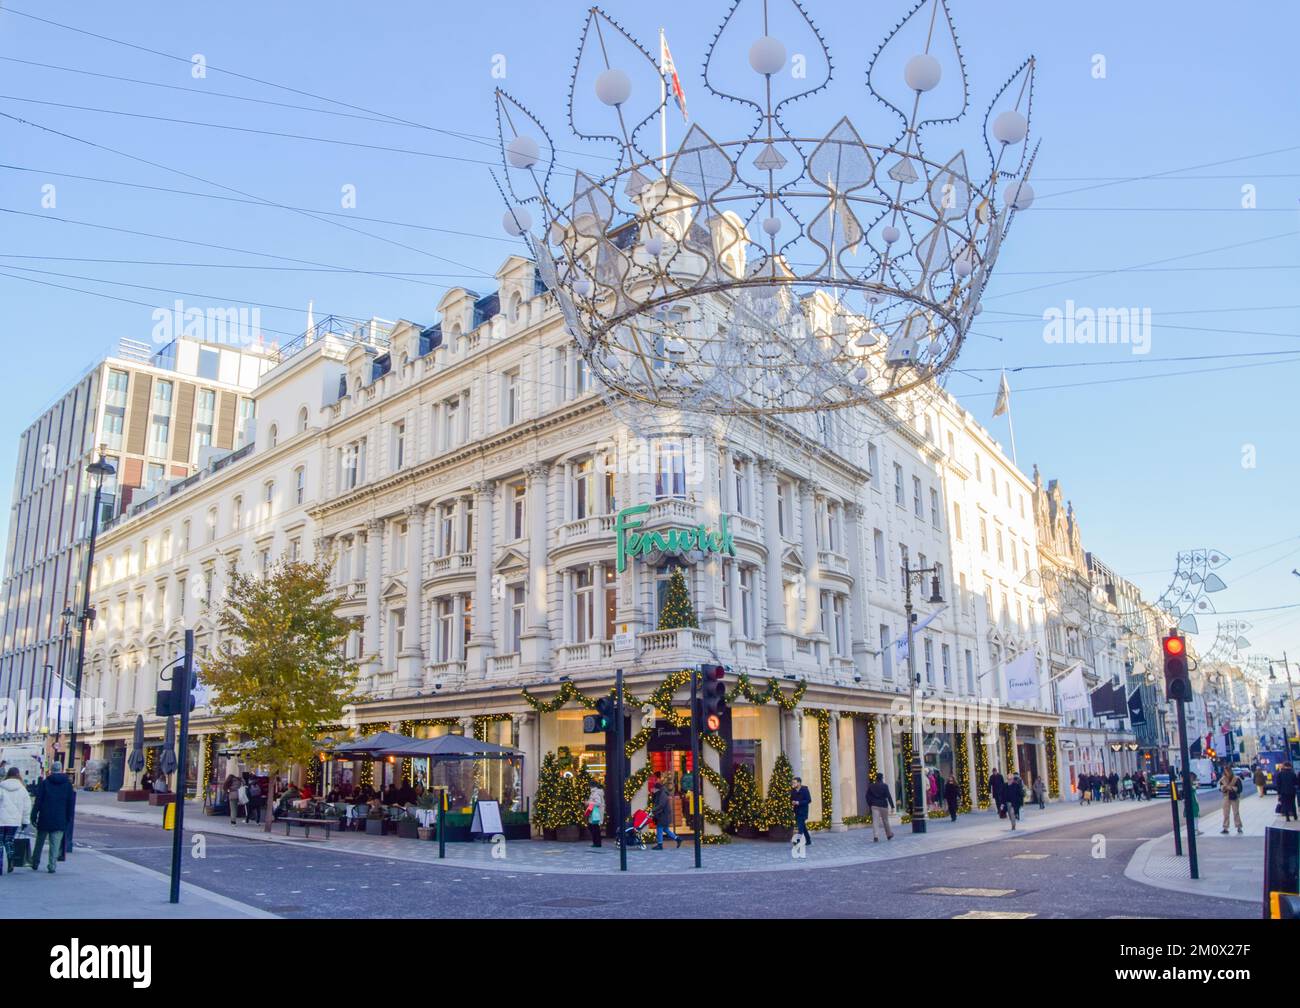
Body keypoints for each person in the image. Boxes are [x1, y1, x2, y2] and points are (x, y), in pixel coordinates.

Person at [31, 762, 75, 874]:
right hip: (60, 818)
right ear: (61, 770)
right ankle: (52, 865)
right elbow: (70, 803)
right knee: (55, 844)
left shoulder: (45, 783)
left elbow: (38, 801)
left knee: (39, 842)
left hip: (45, 816)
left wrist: (34, 815)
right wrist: (69, 818)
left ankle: (35, 862)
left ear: (51, 770)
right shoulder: (68, 784)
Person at [0, 765, 32, 872]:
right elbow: (27, 807)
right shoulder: (22, 789)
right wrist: (25, 821)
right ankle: (11, 860)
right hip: (14, 820)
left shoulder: (1, 787)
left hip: (1, 818)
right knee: (9, 840)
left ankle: (0, 866)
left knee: (0, 842)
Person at [865, 772, 894, 842]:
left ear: (876, 778)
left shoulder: (871, 786)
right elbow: (888, 796)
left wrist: (870, 804)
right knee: (885, 821)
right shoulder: (885, 786)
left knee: (875, 821)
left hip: (874, 805)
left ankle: (876, 836)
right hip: (883, 805)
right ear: (882, 778)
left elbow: (867, 796)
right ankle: (889, 835)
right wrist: (892, 806)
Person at [651, 784, 681, 849]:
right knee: (665, 829)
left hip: (663, 815)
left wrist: (653, 810)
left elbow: (661, 805)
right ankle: (677, 838)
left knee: (659, 828)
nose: (652, 789)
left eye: (654, 788)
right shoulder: (658, 794)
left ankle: (660, 844)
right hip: (662, 815)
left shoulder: (662, 794)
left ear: (657, 789)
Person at [1218, 767, 1243, 834]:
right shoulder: (1223, 779)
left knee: (1236, 812)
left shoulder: (1236, 779)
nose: (1227, 773)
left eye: (1228, 771)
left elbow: (1240, 789)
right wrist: (1223, 788)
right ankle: (1225, 827)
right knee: (1226, 813)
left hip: (1234, 797)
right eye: (1225, 771)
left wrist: (1232, 788)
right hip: (1226, 797)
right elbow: (1220, 788)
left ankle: (1239, 827)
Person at [791, 776, 813, 847]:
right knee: (803, 826)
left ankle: (797, 841)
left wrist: (799, 802)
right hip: (796, 811)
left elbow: (809, 800)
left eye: (794, 782)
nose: (793, 784)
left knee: (800, 827)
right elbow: (791, 799)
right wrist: (793, 802)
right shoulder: (793, 790)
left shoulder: (805, 789)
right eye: (793, 782)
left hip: (803, 811)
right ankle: (808, 840)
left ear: (799, 783)